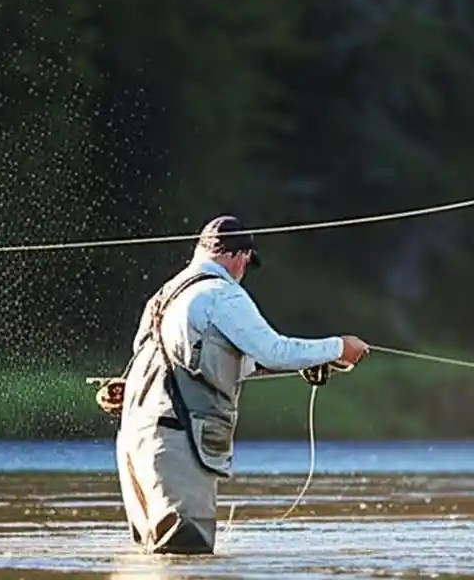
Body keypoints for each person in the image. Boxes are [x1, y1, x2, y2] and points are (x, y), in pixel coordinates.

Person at [102, 215, 370, 554]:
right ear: (240, 255)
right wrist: (339, 348)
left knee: (151, 560)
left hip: (134, 441)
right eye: (247, 262)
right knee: (186, 550)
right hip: (175, 442)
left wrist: (314, 360)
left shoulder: (162, 296)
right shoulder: (221, 294)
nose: (244, 271)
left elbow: (207, 364)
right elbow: (275, 350)